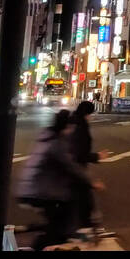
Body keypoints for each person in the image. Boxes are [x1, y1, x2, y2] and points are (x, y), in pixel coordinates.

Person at [17, 110, 102, 250]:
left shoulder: (47, 136)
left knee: (58, 219)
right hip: (41, 192)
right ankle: (40, 244)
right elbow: (71, 166)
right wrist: (92, 182)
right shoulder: (56, 143)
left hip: (31, 189)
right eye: (71, 127)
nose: (72, 130)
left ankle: (35, 230)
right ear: (66, 126)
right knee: (61, 226)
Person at [69, 100, 108, 235]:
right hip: (76, 169)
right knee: (85, 200)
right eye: (91, 114)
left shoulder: (74, 122)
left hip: (72, 168)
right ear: (87, 114)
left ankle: (85, 227)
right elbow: (80, 153)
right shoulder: (81, 127)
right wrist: (97, 156)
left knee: (81, 200)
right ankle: (87, 228)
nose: (91, 117)